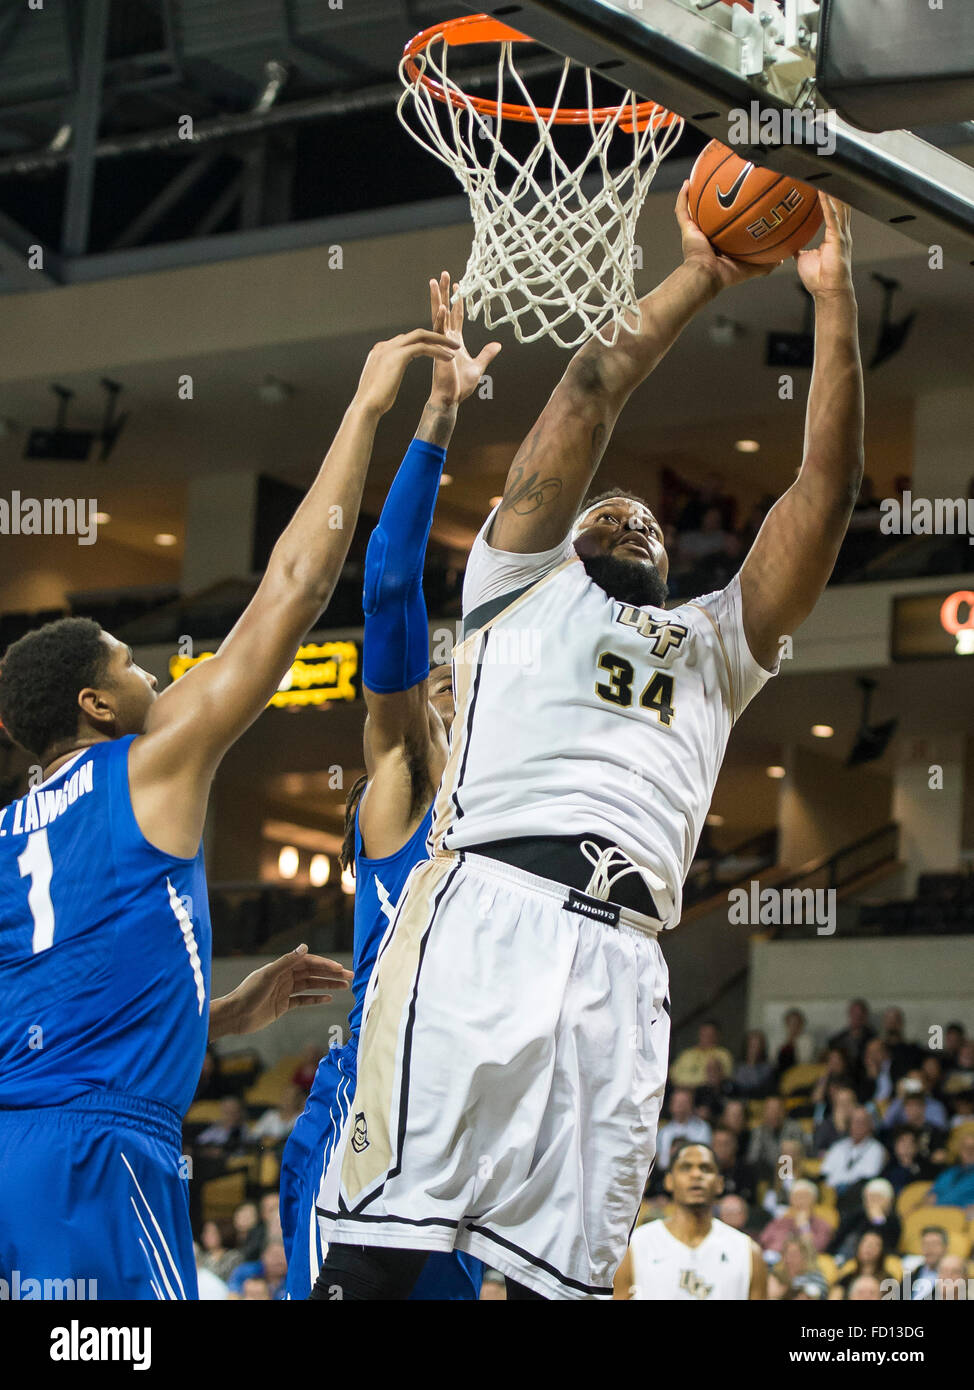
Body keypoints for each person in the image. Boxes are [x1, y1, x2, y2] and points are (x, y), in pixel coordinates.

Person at [315, 191, 863, 1300]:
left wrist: (835, 306)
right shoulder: (516, 582)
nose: (629, 517)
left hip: (622, 962)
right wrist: (701, 275)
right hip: (486, 917)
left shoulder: (717, 640)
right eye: (604, 511)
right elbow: (590, 386)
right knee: (381, 1251)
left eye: (648, 519)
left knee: (555, 1285)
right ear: (558, 534)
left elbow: (826, 490)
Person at [0, 320, 461, 1300]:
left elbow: (50, 1022)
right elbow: (293, 589)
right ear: (94, 705)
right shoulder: (148, 761)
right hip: (104, 1156)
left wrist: (205, 1017)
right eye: (133, 664)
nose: (158, 672)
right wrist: (366, 406)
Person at [281, 275, 497, 1303]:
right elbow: (388, 587)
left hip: (464, 1137)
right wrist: (436, 417)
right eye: (451, 681)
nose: (464, 696)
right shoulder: (407, 779)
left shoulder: (519, 817)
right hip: (365, 1120)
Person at [614, 1143, 766, 1300]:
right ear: (669, 1181)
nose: (696, 1174)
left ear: (720, 1184)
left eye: (705, 1168)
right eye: (686, 1168)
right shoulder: (636, 1246)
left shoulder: (747, 1252)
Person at [828, 1177, 900, 1263]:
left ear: (888, 1201)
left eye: (878, 1197)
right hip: (845, 1257)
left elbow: (889, 1244)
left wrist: (878, 1220)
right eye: (870, 1197)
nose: (873, 1201)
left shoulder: (893, 1220)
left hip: (877, 1262)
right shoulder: (856, 1215)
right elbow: (839, 1237)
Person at [820, 1108, 888, 1197]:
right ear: (849, 1124)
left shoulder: (876, 1149)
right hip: (830, 1192)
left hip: (856, 1194)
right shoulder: (838, 1146)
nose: (858, 1125)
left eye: (862, 1122)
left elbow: (869, 1177)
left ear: (870, 1125)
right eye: (855, 1122)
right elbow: (825, 1172)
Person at [759, 1178, 832, 1254]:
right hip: (772, 1258)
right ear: (791, 1201)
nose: (800, 1201)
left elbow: (817, 1248)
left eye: (805, 1197)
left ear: (814, 1200)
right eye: (796, 1197)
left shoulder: (822, 1225)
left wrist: (804, 1226)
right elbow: (762, 1241)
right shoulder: (780, 1222)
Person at [746, 1095, 808, 1181]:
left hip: (791, 1174)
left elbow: (802, 1154)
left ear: (784, 1112)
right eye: (770, 1110)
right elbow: (752, 1159)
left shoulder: (794, 1128)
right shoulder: (759, 1132)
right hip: (767, 1175)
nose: (774, 1114)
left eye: (777, 1110)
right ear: (764, 1112)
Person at [656, 1086, 713, 1172]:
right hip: (667, 1174)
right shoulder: (663, 1131)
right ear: (671, 1105)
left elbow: (705, 1155)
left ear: (691, 1105)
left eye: (684, 1102)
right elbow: (660, 1162)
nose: (680, 1106)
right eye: (677, 1102)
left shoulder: (703, 1128)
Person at [670, 1021, 734, 1090]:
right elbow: (672, 1075)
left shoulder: (723, 1054)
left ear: (717, 1036)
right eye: (704, 1034)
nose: (706, 1037)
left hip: (706, 1092)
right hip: (681, 1090)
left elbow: (725, 1078)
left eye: (710, 1035)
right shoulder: (687, 1054)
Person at [923, 1130, 974, 1208]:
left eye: (972, 1148)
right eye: (965, 1147)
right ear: (960, 1150)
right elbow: (932, 1197)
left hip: (965, 1216)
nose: (969, 1151)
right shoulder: (948, 1173)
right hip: (937, 1215)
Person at [733, 1029, 775, 1099]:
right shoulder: (739, 1066)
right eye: (752, 1045)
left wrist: (752, 1063)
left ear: (762, 1047)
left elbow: (756, 1085)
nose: (754, 1048)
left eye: (757, 1045)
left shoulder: (767, 1068)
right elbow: (738, 1084)